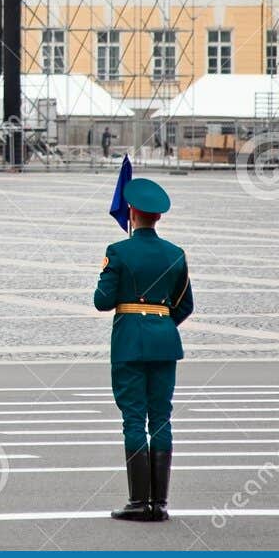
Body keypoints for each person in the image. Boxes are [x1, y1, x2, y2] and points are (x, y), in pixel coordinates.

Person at [94, 177, 194, 523]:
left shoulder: (118, 251)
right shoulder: (176, 254)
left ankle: (139, 502)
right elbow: (184, 306)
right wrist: (159, 325)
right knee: (161, 417)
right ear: (159, 217)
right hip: (165, 341)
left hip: (129, 343)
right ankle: (160, 504)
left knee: (134, 418)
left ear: (131, 213)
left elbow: (102, 302)